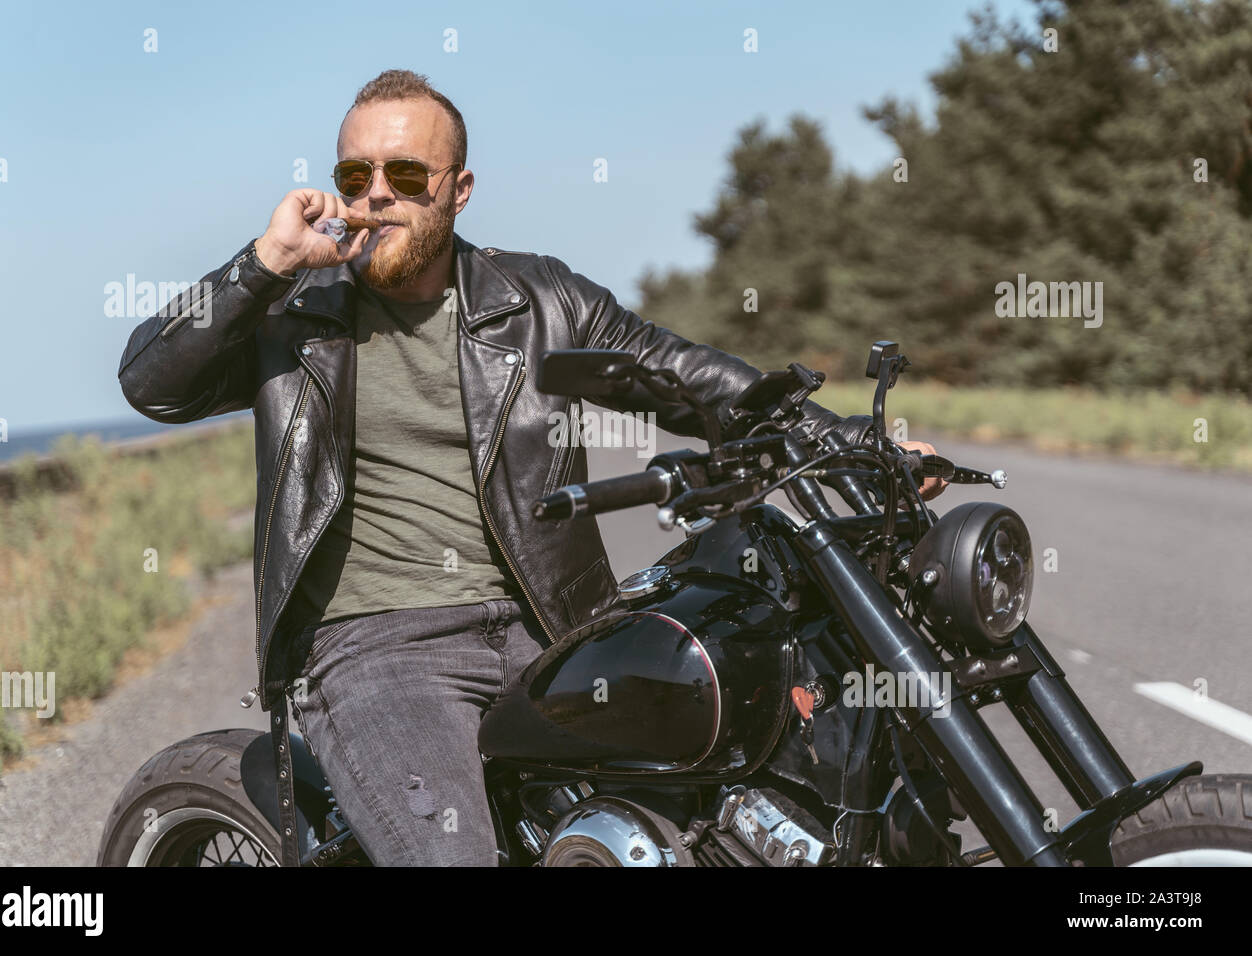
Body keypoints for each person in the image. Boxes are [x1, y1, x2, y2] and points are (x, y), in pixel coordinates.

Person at [117, 69, 945, 866]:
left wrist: (851, 444)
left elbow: (691, 381)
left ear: (459, 189)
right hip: (377, 646)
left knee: (739, 767)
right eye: (355, 172)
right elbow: (152, 384)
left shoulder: (542, 300)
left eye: (406, 172)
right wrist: (266, 261)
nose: (377, 193)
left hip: (551, 629)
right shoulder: (292, 312)